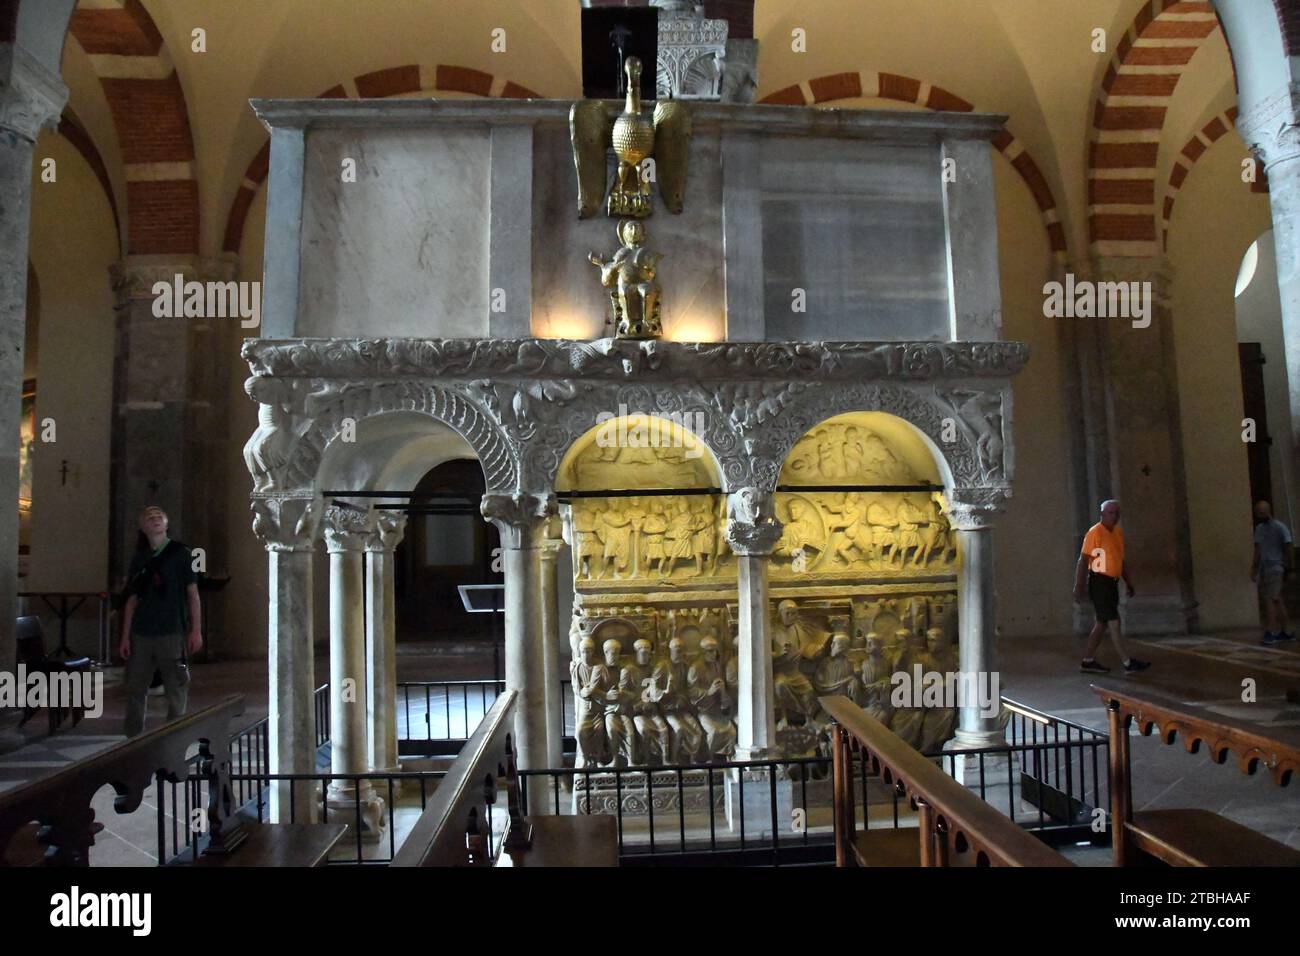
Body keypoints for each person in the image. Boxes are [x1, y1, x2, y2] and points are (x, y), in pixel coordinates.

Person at [119, 506, 201, 737]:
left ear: (166, 524)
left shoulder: (182, 554)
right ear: (143, 527)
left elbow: (193, 594)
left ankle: (174, 734)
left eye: (159, 517)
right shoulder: (139, 558)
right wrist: (125, 635)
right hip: (142, 631)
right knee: (136, 686)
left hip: (172, 630)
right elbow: (132, 599)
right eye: (149, 518)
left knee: (176, 685)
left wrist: (196, 630)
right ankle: (133, 736)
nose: (154, 520)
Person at [1073, 499, 1150, 674]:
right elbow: (1083, 560)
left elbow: (1119, 560)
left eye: (1117, 513)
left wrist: (1128, 582)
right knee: (1114, 622)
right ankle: (1127, 663)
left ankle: (1087, 660)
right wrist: (1078, 584)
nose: (1114, 516)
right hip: (1099, 582)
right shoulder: (1095, 533)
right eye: (1110, 513)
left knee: (1101, 624)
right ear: (1102, 514)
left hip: (1111, 583)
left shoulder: (1118, 533)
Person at [1251, 500, 1294, 645]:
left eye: (1262, 512)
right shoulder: (1259, 529)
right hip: (1265, 568)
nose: (1260, 515)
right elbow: (1257, 550)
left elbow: (1289, 546)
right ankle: (1286, 631)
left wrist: (1291, 567)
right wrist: (1254, 568)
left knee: (1270, 599)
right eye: (1258, 512)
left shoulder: (1280, 527)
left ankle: (1272, 631)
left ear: (1269, 511)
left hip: (1276, 567)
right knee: (1277, 599)